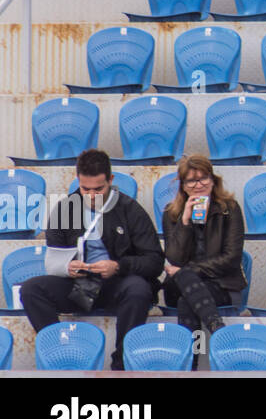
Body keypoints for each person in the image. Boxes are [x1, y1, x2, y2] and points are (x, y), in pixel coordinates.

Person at [21, 149, 164, 371]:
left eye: (99, 189)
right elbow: (53, 259)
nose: (91, 195)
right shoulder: (65, 209)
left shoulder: (130, 209)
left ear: (111, 180)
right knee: (31, 289)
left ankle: (122, 362)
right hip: (78, 285)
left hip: (117, 284)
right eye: (85, 189)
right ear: (77, 180)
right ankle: (61, 354)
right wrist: (67, 267)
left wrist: (118, 266)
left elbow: (154, 261)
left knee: (138, 289)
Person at [161, 154, 246, 356]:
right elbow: (174, 258)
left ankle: (191, 365)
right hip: (179, 286)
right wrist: (185, 222)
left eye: (204, 178)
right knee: (184, 285)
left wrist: (188, 271)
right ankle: (215, 325)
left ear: (212, 180)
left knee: (186, 301)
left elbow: (232, 257)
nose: (198, 185)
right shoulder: (171, 213)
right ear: (183, 185)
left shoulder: (229, 209)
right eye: (191, 180)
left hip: (221, 284)